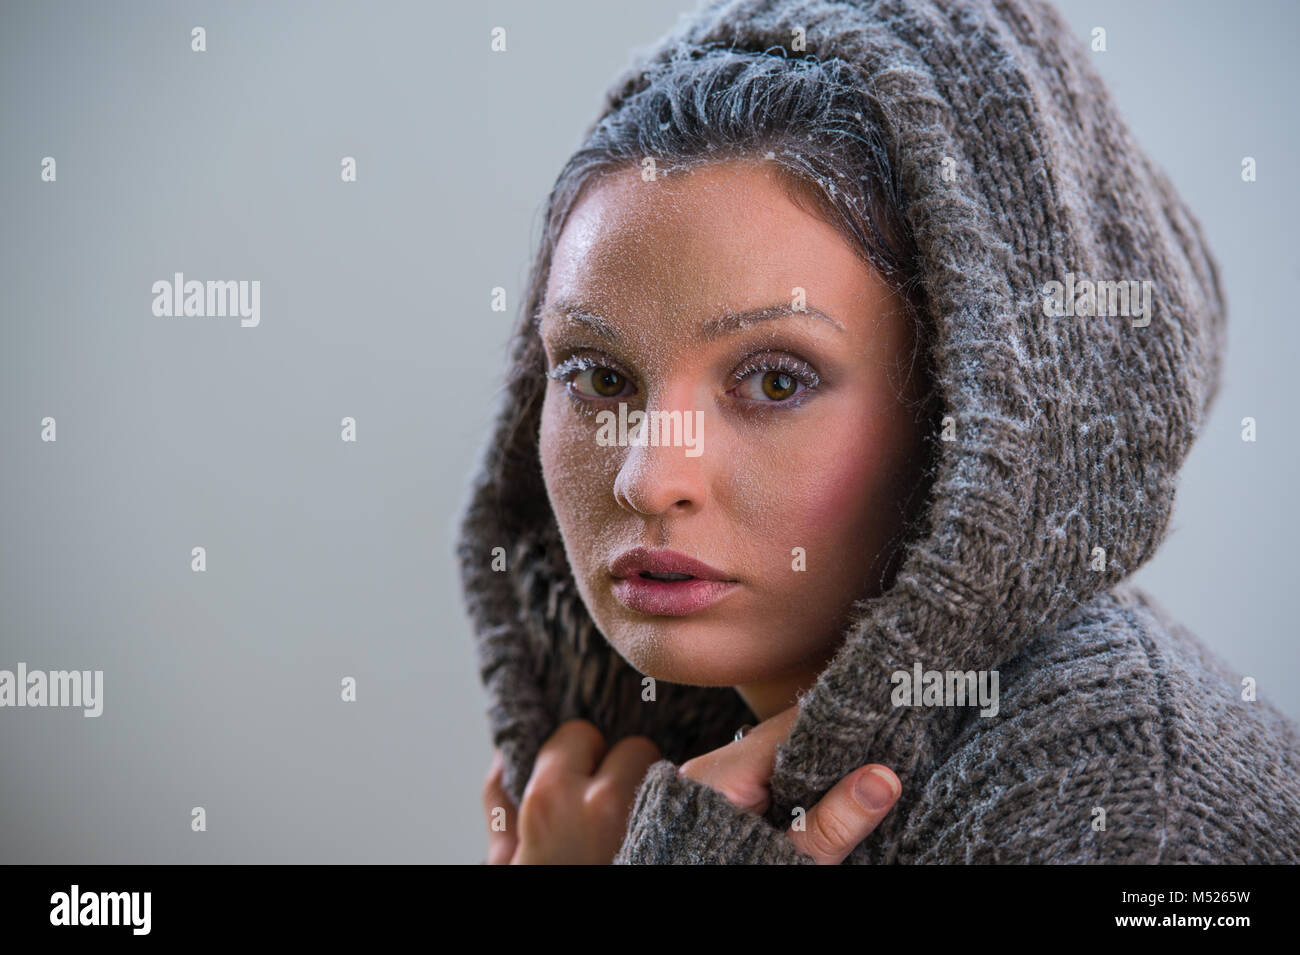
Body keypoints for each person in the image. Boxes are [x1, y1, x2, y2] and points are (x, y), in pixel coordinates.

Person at [457, 0, 1300, 864]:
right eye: (599, 377)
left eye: (776, 381)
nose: (648, 475)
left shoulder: (1129, 809)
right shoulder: (674, 761)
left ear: (963, 414)